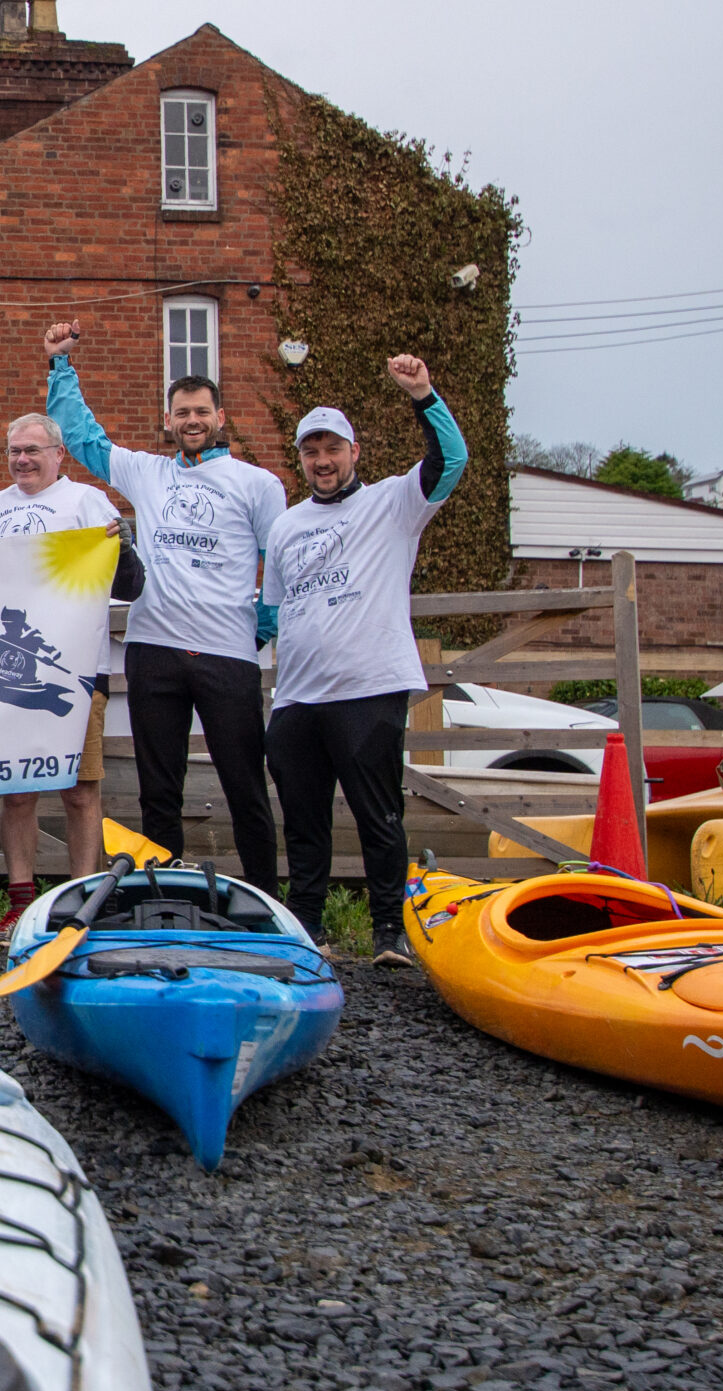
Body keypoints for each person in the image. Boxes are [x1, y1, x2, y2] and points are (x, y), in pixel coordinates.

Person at [43, 321, 285, 896]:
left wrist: (264, 626)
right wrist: (60, 365)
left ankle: (270, 901)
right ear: (169, 419)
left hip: (227, 653)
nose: (192, 421)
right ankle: (166, 901)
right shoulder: (147, 472)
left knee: (245, 785)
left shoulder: (258, 483)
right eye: (182, 412)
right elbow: (83, 439)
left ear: (220, 418)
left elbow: (279, 558)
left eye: (202, 411)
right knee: (159, 790)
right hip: (154, 651)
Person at [263, 355, 466, 961]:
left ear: (354, 451)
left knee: (379, 815)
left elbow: (449, 462)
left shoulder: (394, 503)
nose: (322, 462)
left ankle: (388, 931)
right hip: (297, 697)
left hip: (368, 688)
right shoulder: (286, 526)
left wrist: (425, 395)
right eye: (310, 452)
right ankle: (308, 931)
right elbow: (271, 614)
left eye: (332, 449)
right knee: (303, 822)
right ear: (301, 459)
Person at [0, 413, 119, 944]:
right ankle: (20, 906)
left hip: (75, 667)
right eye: (14, 451)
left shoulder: (85, 504)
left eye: (32, 450)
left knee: (80, 790)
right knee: (18, 792)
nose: (22, 460)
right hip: (10, 674)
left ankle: (84, 907)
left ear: (60, 455)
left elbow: (120, 574)